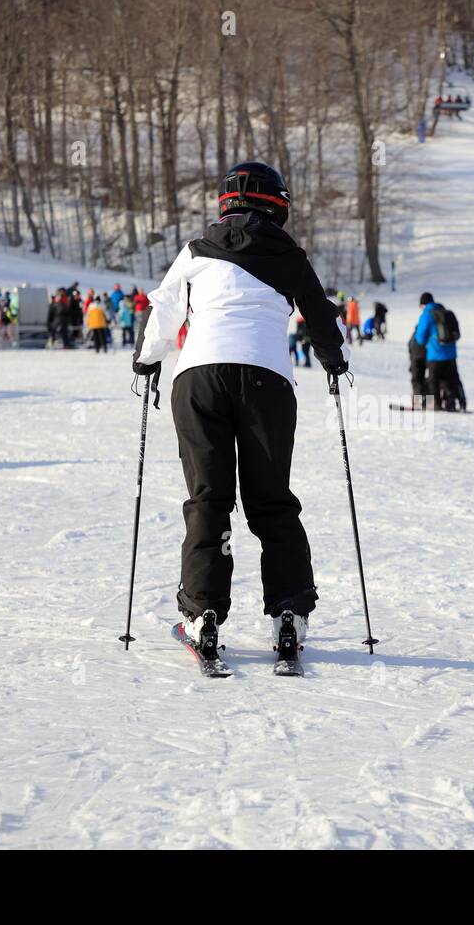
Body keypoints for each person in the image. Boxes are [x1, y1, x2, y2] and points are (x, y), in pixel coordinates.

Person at [132, 161, 348, 668]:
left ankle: (203, 615)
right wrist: (334, 362)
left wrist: (146, 359)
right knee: (271, 501)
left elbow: (165, 309)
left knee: (209, 498)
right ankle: (289, 612)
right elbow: (319, 311)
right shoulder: (289, 255)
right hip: (268, 380)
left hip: (199, 376)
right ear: (278, 204)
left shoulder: (195, 250)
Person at [413, 291, 463, 411]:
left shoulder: (427, 315)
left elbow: (420, 338)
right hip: (451, 355)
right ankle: (451, 404)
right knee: (450, 380)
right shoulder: (447, 312)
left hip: (435, 355)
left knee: (433, 381)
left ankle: (436, 404)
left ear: (423, 304)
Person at [407, 293, 432, 408]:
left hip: (418, 353)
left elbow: (419, 337)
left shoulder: (426, 316)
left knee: (417, 378)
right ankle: (429, 402)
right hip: (428, 353)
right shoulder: (434, 315)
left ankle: (418, 403)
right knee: (428, 378)